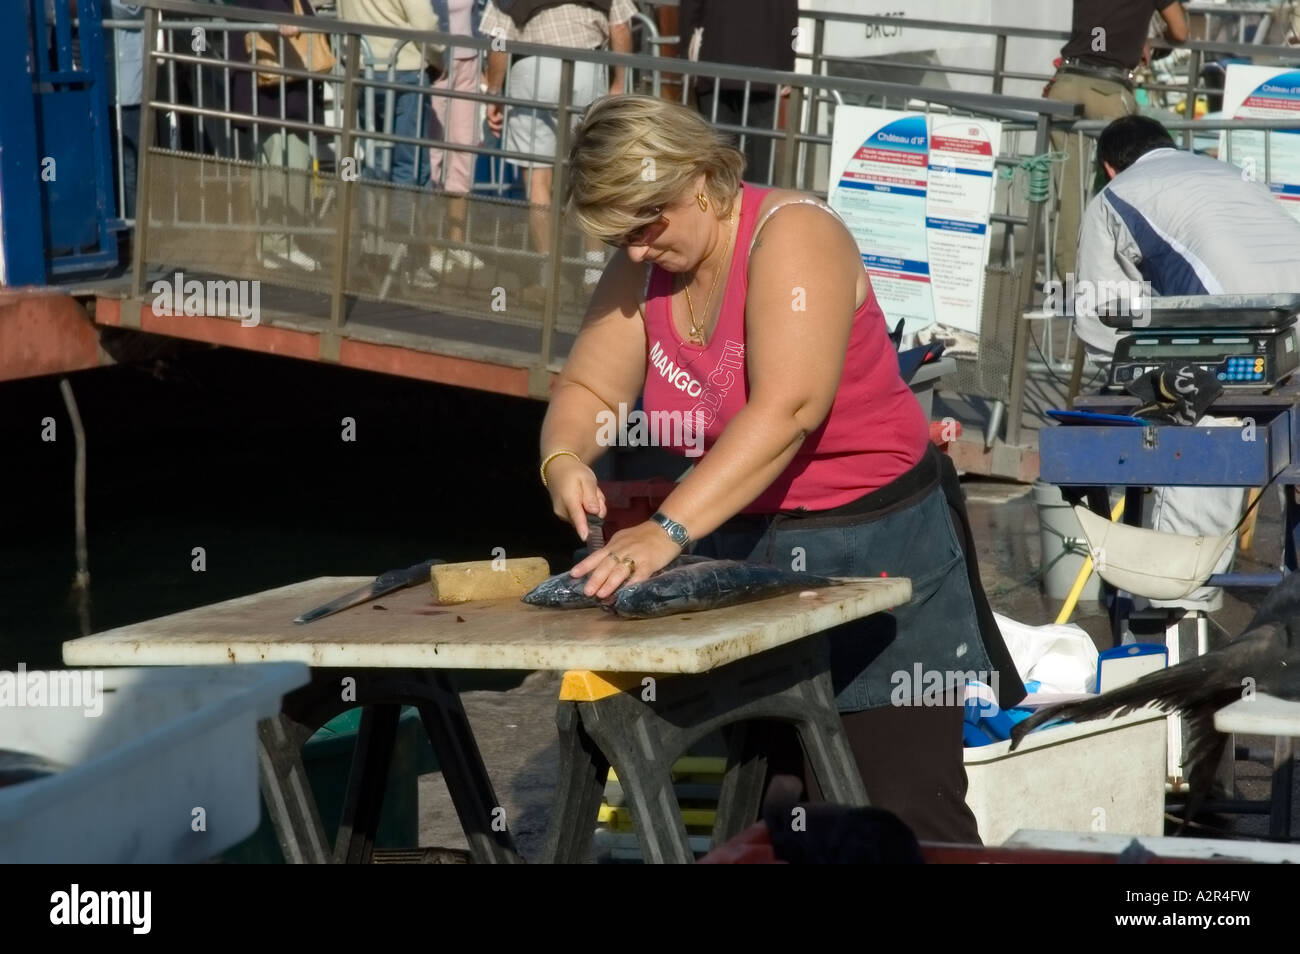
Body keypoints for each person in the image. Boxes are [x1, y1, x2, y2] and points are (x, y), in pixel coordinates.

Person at [537, 94, 1025, 842]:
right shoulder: (644, 266)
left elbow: (790, 409)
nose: (634, 250)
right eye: (619, 234)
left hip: (878, 549)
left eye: (645, 224)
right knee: (775, 811)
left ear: (697, 177)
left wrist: (664, 532)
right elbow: (589, 388)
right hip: (747, 548)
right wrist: (565, 457)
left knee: (902, 809)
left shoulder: (792, 234)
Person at [1073, 115, 1300, 611]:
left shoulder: (1115, 195)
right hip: (1291, 329)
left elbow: (1097, 317)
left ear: (1110, 167)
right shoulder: (1224, 174)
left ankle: (1182, 616)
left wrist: (1148, 385)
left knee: (1200, 468)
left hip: (1245, 336)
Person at [479, 0, 635, 302]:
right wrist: (619, 82)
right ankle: (593, 273)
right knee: (590, 173)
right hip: (586, 67)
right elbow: (619, 28)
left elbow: (498, 38)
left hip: (532, 69)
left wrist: (494, 94)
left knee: (538, 180)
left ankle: (547, 277)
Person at [1046, 0, 1187, 282]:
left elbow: (1099, 28)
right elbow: (1180, 32)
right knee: (1128, 188)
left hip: (1067, 83)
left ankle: (1070, 282)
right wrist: (1147, 41)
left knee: (1068, 189)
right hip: (1110, 91)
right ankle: (1120, 276)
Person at [231, 0, 331, 272]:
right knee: (286, 167)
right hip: (278, 94)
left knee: (272, 168)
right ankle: (279, 244)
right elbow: (282, 17)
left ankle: (273, 243)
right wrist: (285, 16)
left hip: (269, 91)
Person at [678, 0, 798, 186]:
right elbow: (790, 18)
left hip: (715, 66)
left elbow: (689, 11)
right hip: (765, 74)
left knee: (717, 155)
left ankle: (719, 209)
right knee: (760, 162)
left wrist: (686, 56)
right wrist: (787, 67)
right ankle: (755, 210)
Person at [338, 0, 444, 186]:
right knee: (409, 163)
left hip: (361, 67)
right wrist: (439, 60)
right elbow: (425, 24)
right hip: (403, 69)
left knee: (375, 160)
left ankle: (371, 213)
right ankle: (402, 215)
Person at [428, 0, 488, 272]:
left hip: (470, 61)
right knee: (433, 156)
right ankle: (431, 245)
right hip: (436, 64)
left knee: (464, 152)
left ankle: (457, 243)